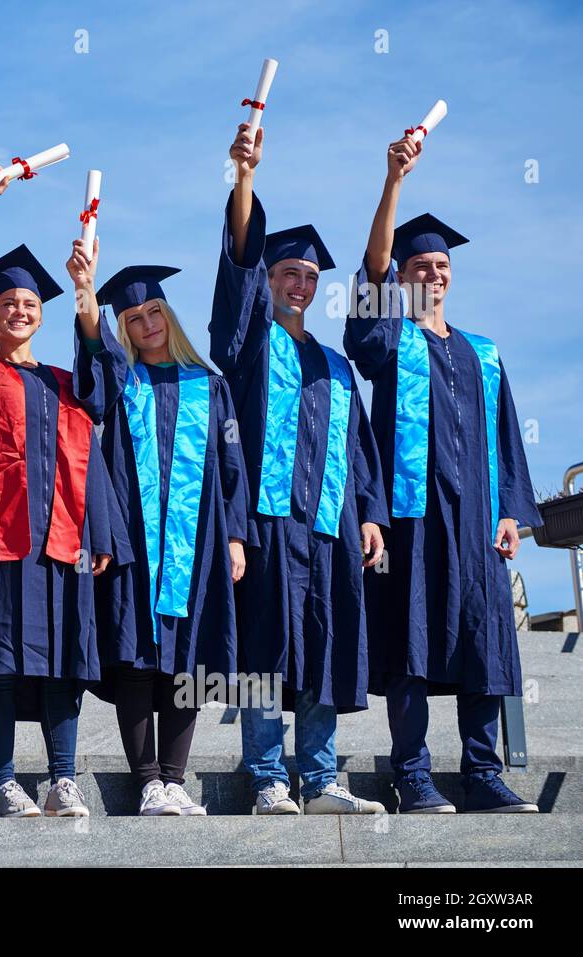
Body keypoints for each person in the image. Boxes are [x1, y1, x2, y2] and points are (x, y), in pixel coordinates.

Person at [345, 132, 541, 813]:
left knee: (485, 642)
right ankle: (412, 771)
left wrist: (511, 510)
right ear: (401, 276)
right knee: (409, 643)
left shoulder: (483, 353)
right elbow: (368, 274)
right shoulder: (387, 339)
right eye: (418, 264)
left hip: (478, 524)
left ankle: (483, 771)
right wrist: (392, 180)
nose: (431, 272)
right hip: (412, 519)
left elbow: (508, 439)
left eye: (440, 264)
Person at [211, 121, 389, 815]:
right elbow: (237, 268)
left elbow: (362, 448)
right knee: (264, 650)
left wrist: (372, 513)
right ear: (269, 280)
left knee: (325, 644)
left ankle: (319, 778)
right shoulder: (251, 344)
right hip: (267, 524)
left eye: (312, 277)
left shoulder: (336, 366)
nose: (301, 284)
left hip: (330, 531)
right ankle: (266, 776)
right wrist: (245, 178)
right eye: (289, 272)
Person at [0, 170, 125, 818]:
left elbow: (104, 403)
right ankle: (3, 779)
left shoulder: (63, 381)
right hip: (2, 538)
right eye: (7, 304)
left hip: (65, 545)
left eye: (30, 305)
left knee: (63, 662)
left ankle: (63, 778)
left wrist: (84, 291)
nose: (21, 309)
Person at [73, 246, 250, 817]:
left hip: (197, 543)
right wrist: (84, 292)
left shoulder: (209, 386)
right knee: (137, 658)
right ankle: (148, 781)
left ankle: (175, 781)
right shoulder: (121, 383)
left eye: (155, 312)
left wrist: (236, 537)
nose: (147, 324)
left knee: (190, 656)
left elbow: (233, 468)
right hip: (133, 539)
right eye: (133, 318)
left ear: (169, 316)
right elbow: (92, 379)